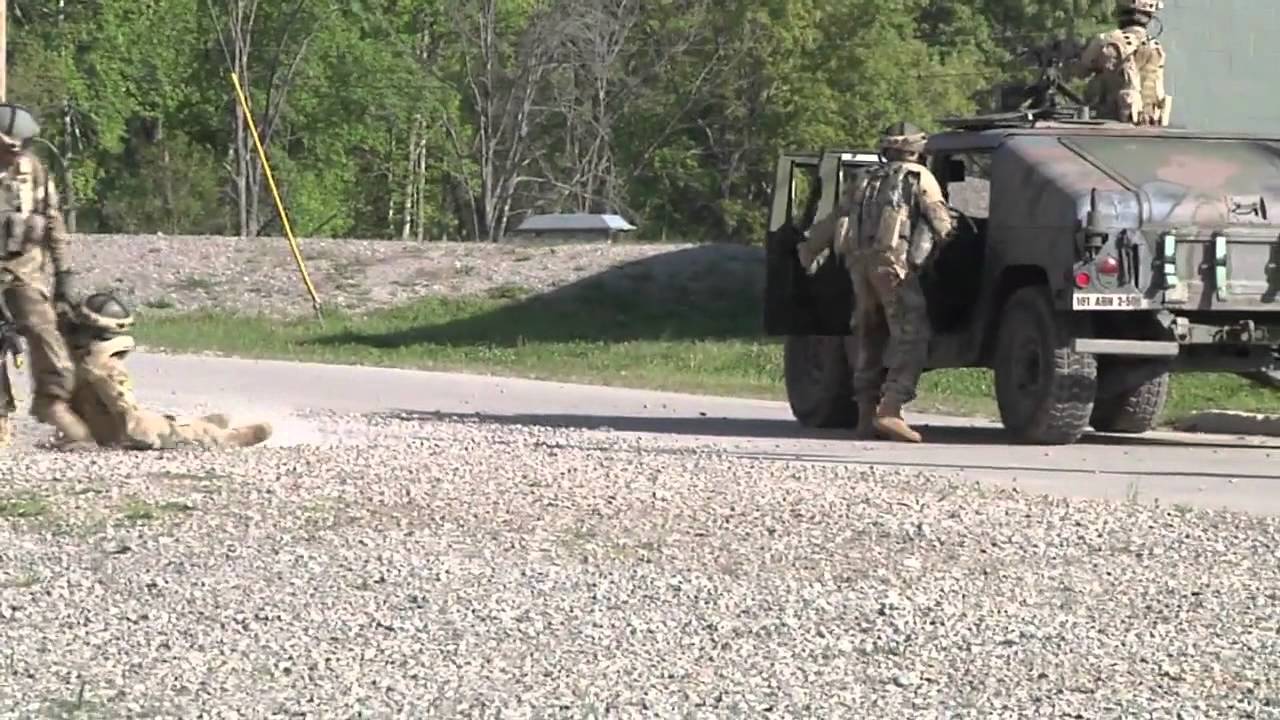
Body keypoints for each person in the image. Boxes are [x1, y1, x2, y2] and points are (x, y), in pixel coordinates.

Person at [795, 122, 955, 443]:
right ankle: (891, 408)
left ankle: (866, 415)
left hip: (860, 267)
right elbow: (941, 223)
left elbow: (832, 221)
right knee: (912, 335)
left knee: (869, 335)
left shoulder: (864, 178)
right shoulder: (918, 177)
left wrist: (808, 250)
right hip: (894, 268)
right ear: (916, 150)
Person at [58, 292, 272, 450]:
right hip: (124, 433)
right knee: (167, 429)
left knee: (162, 423)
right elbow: (129, 418)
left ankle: (201, 424)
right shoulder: (105, 367)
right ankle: (222, 437)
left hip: (86, 427)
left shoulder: (68, 357)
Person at [0, 102, 94, 445]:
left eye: (22, 147)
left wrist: (64, 274)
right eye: (11, 147)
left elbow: (53, 222)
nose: (17, 154)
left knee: (45, 333)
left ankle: (54, 405)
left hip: (23, 269)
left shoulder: (33, 173)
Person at [1067, 0, 1171, 125]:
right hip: (1149, 125)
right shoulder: (1155, 48)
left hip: (1109, 122)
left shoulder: (1106, 40)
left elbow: (1080, 72)